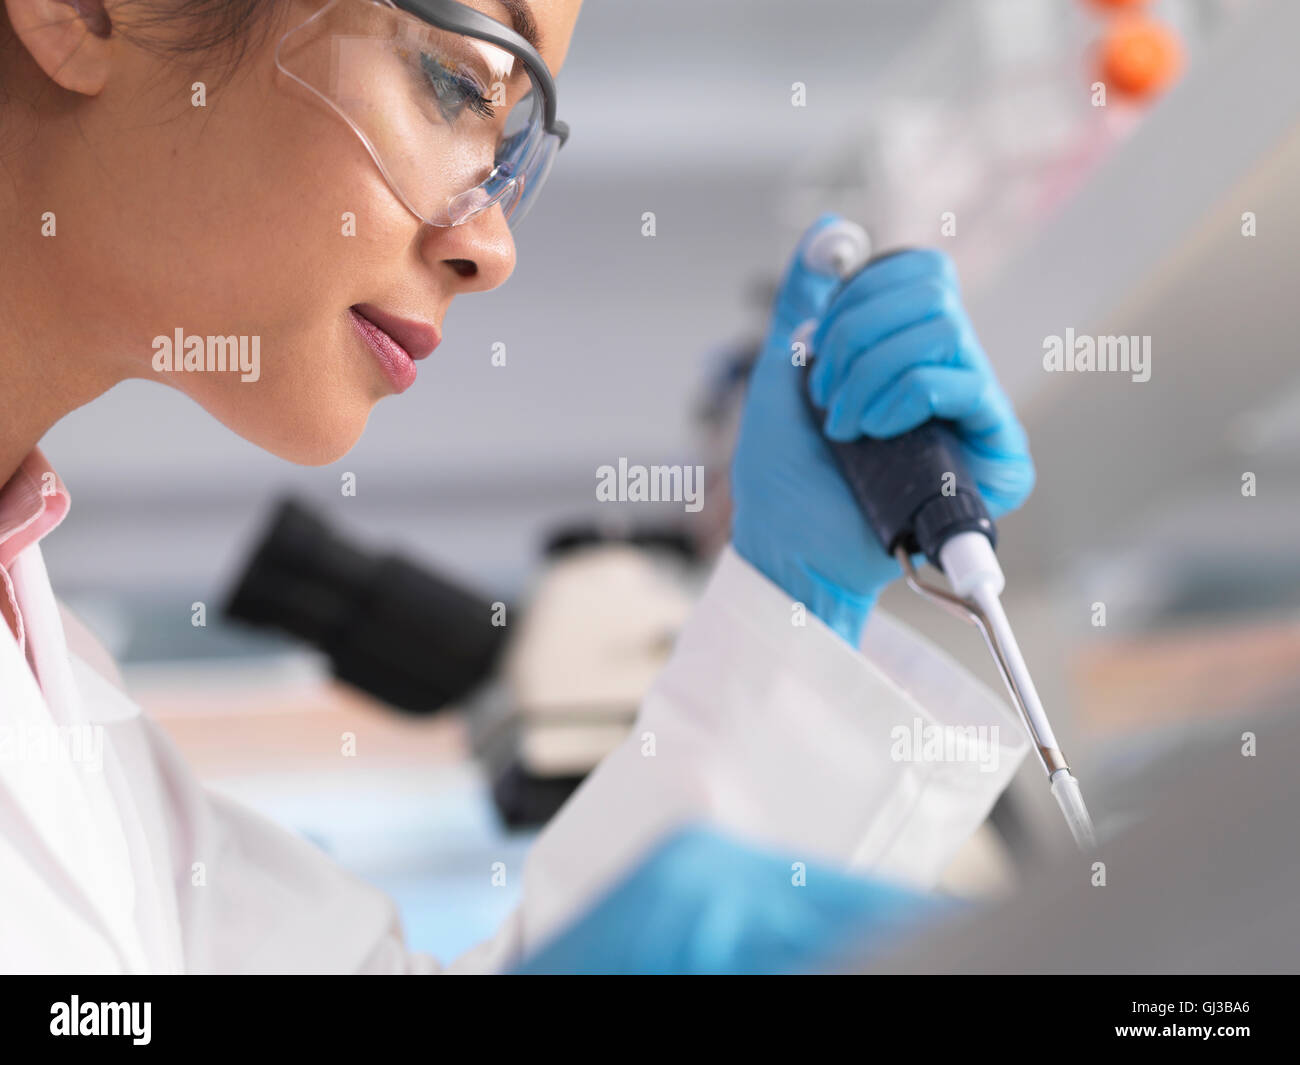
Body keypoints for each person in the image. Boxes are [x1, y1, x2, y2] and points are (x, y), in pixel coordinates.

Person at [0, 0, 1035, 973]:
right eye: (457, 83)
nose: (492, 247)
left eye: (509, 152)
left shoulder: (86, 747)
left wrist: (797, 606)